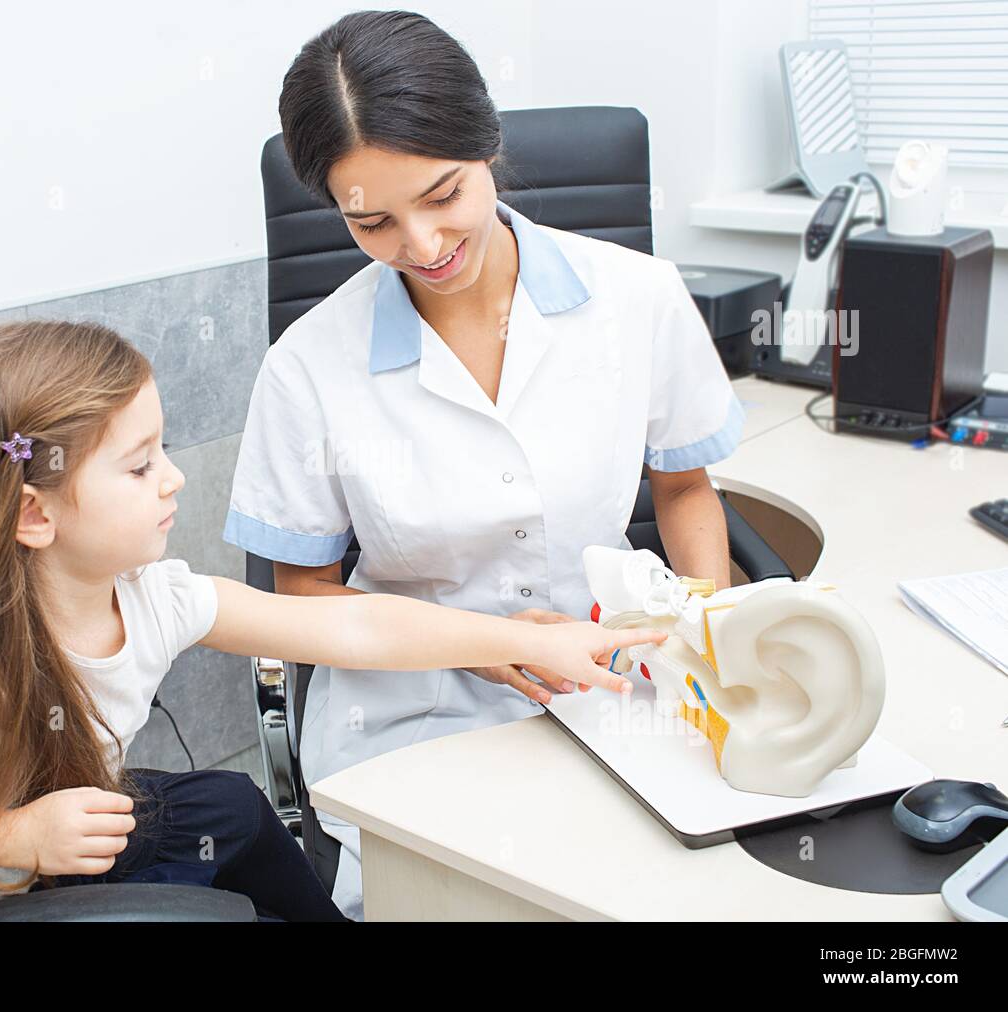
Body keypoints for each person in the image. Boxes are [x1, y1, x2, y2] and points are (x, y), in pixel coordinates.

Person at [0, 320, 664, 922]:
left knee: (231, 806)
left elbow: (350, 630)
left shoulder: (152, 595)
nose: (175, 479)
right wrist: (11, 833)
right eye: (141, 463)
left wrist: (522, 639)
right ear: (35, 517)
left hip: (51, 841)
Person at [223, 10, 745, 919]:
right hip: (414, 718)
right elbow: (298, 596)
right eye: (372, 221)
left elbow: (686, 487)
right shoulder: (309, 365)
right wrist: (499, 646)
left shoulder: (637, 298)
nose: (422, 247)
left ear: (487, 148)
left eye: (442, 195)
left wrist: (703, 632)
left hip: (624, 681)